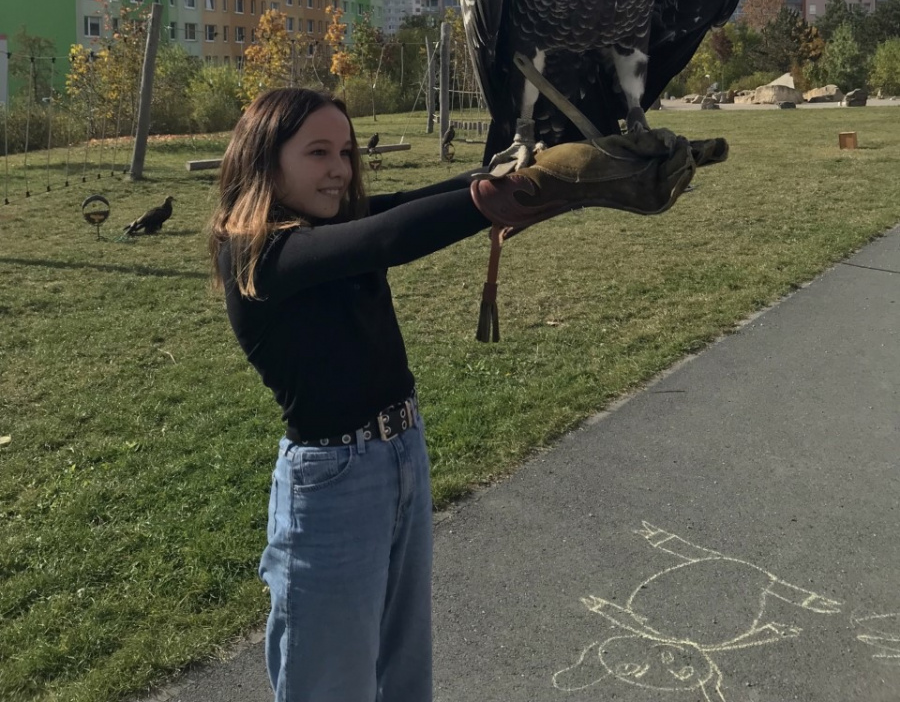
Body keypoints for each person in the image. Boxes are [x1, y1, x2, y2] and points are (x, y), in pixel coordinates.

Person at [209, 87, 707, 702]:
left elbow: (420, 202)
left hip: (401, 459)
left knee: (404, 674)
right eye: (317, 152)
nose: (339, 167)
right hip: (330, 485)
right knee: (330, 684)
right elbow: (388, 238)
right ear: (263, 159)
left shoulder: (333, 222)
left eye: (345, 150)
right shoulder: (257, 253)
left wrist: (520, 173)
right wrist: (511, 195)